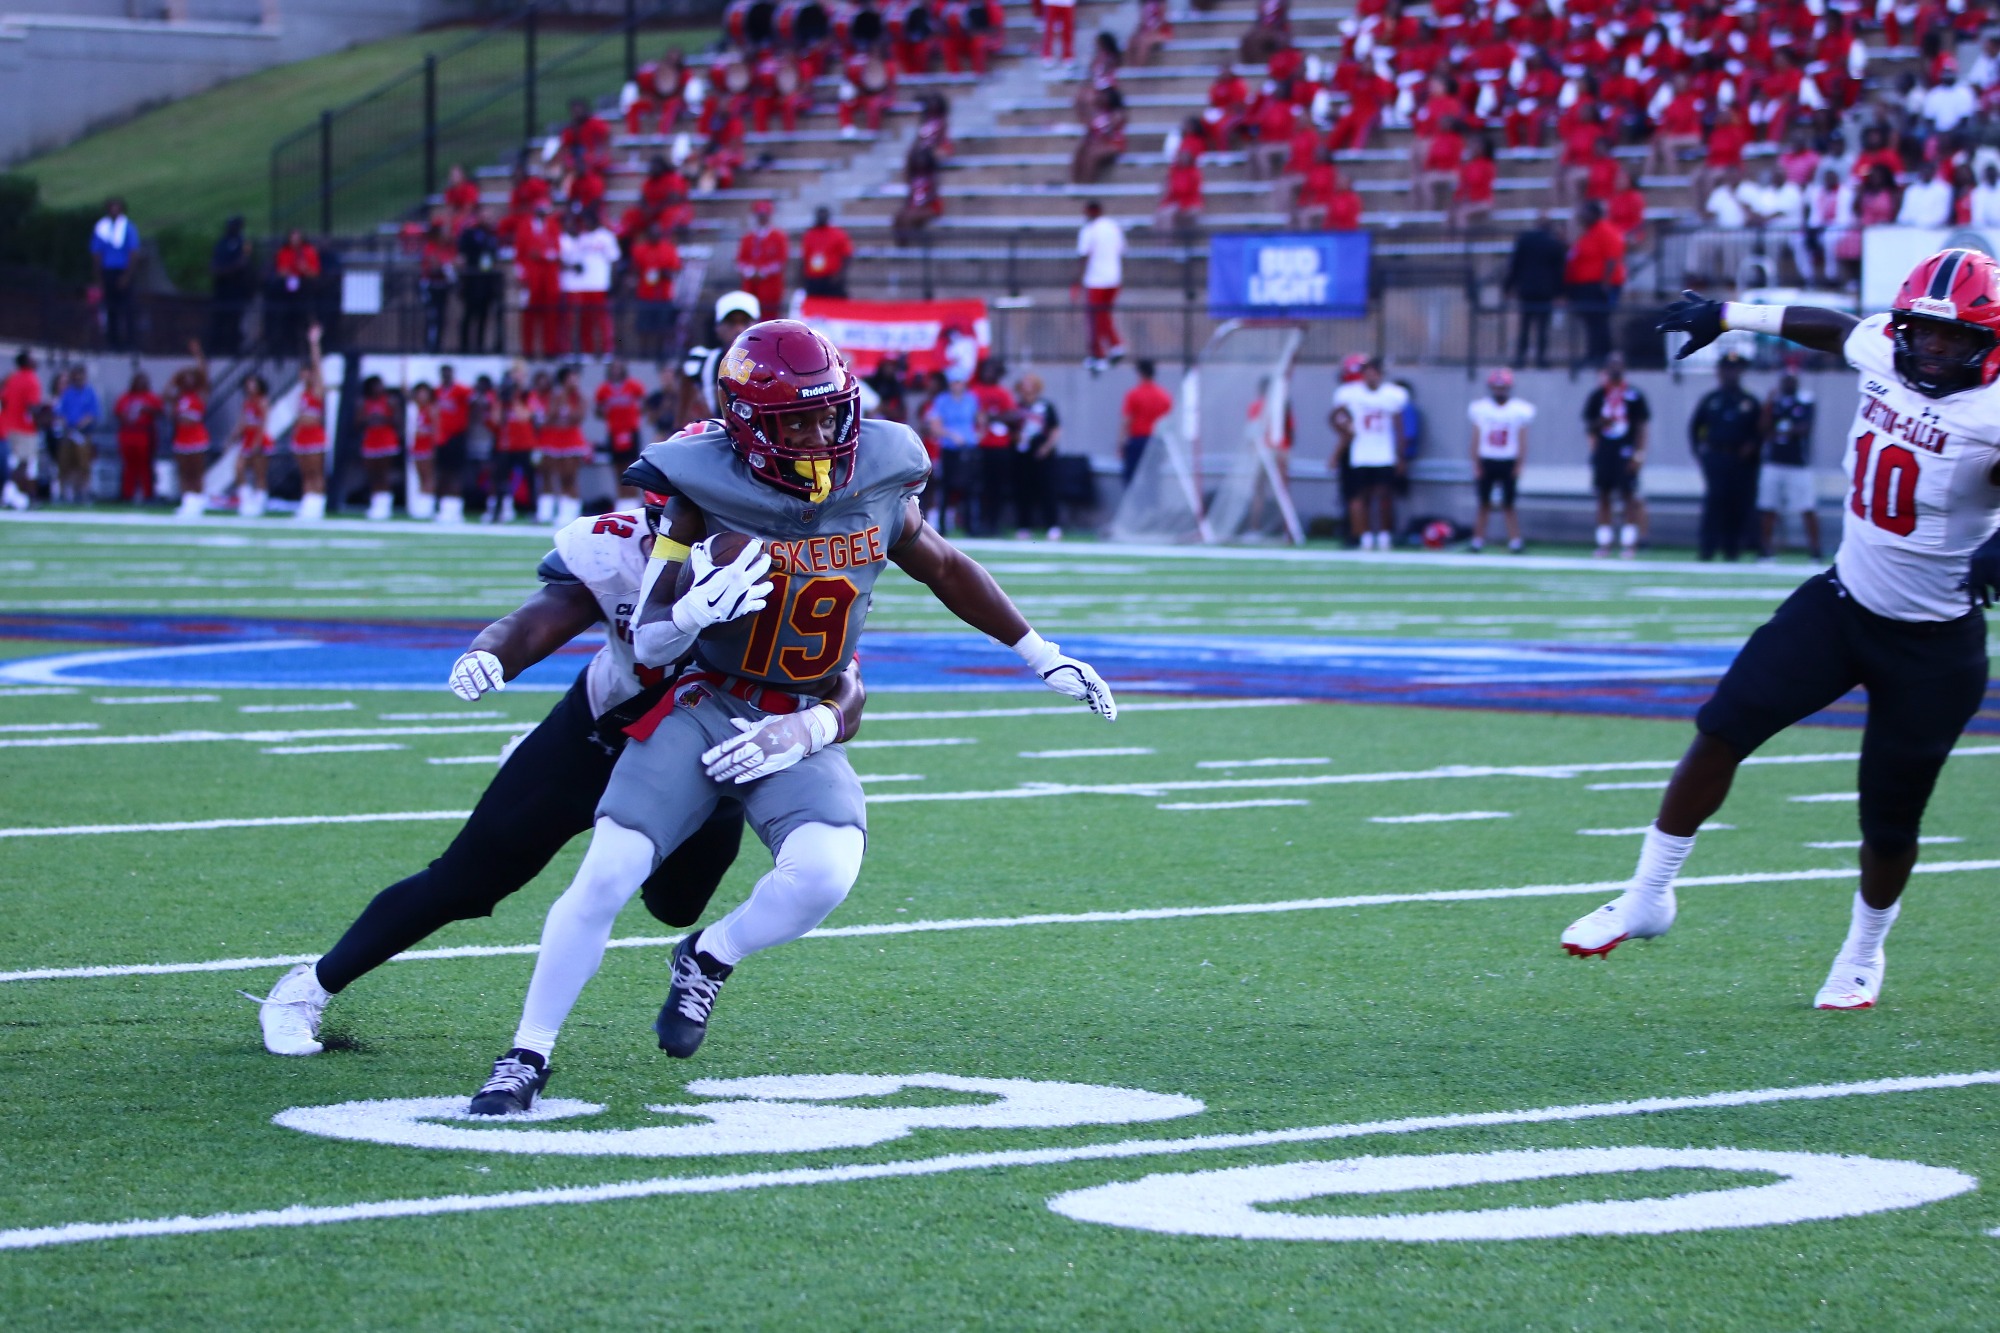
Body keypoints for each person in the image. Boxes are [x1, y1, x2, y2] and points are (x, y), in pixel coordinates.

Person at [462, 319, 1117, 1112]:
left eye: (827, 413)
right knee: (605, 872)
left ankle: (708, 956)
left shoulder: (877, 478)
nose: (816, 433)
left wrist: (1037, 650)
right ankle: (527, 1052)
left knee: (828, 871)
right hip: (704, 702)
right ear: (745, 425)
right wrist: (695, 610)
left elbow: (944, 564)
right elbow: (654, 630)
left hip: (802, 714)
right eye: (794, 420)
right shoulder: (701, 488)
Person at [249, 494, 868, 1055]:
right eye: (667, 521)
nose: (672, 536)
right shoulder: (619, 548)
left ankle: (699, 955)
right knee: (465, 881)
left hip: (708, 762)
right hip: (594, 742)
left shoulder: (781, 557)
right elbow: (542, 616)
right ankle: (308, 987)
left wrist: (813, 725)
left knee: (677, 908)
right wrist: (491, 652)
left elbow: (839, 676)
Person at [1563, 254, 2000, 1012]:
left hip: (1933, 644)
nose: (1930, 351)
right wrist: (1728, 313)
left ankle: (1863, 952)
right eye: (1921, 334)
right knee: (1722, 725)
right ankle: (1646, 895)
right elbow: (1830, 328)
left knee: (1888, 820)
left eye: (1950, 339)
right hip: (1840, 604)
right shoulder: (1881, 347)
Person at [1689, 351, 1765, 561]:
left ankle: (1732, 549)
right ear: (1720, 372)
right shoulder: (1711, 400)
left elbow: (1760, 432)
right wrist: (1701, 454)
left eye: (1735, 369)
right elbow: (1695, 428)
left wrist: (1752, 448)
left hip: (1741, 462)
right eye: (1727, 369)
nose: (1731, 373)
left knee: (1738, 504)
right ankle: (1707, 548)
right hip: (1717, 457)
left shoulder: (1750, 401)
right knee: (1714, 503)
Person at [1329, 356, 1406, 550]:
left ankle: (1384, 536)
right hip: (1360, 453)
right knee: (1359, 498)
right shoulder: (1351, 394)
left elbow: (1399, 426)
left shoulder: (1392, 395)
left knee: (1384, 497)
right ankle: (1363, 537)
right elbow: (1334, 415)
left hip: (1384, 454)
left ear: (1380, 375)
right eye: (1367, 373)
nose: (1370, 377)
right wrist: (1345, 430)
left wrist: (1400, 455)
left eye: (1374, 373)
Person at [1582, 351, 1649, 559]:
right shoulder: (1598, 395)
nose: (1615, 369)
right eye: (1612, 365)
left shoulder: (1634, 395)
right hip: (1605, 450)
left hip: (1626, 449)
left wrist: (1639, 453)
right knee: (1603, 495)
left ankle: (1629, 543)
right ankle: (1604, 542)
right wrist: (1600, 424)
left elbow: (1641, 426)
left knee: (1628, 495)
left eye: (1619, 365)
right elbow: (1589, 425)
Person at [1759, 364, 1822, 562]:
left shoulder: (1805, 401)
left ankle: (1815, 550)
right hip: (1774, 461)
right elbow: (1763, 427)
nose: (1788, 383)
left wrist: (1781, 431)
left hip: (1798, 463)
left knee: (1807, 507)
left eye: (1791, 379)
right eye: (1785, 379)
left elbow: (1804, 428)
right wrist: (1769, 403)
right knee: (1767, 506)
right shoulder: (1774, 402)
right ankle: (1766, 551)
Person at [1467, 368, 1532, 553]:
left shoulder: (1519, 409)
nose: (1499, 391)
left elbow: (1522, 439)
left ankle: (1515, 541)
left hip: (1508, 460)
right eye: (1496, 387)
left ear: (1509, 388)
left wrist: (1520, 464)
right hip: (1487, 459)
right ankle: (1477, 541)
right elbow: (1476, 438)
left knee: (1509, 504)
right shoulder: (1481, 408)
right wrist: (1476, 463)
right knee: (1483, 503)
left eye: (1502, 387)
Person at [678, 290, 761, 426]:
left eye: (745, 322)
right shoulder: (702, 360)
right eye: (731, 323)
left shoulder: (769, 363)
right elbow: (683, 411)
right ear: (717, 328)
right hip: (716, 435)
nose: (738, 329)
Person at [1565, 201, 1625, 368]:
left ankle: (1602, 356)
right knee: (1592, 323)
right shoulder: (1589, 232)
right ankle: (1593, 354)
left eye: (1585, 212)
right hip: (1585, 286)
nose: (1581, 216)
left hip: (1598, 285)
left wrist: (1605, 282)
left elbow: (1612, 257)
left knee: (1599, 321)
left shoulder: (1605, 230)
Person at [1504, 214, 1567, 369]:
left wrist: (1508, 287)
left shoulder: (1525, 240)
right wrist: (1560, 293)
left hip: (1527, 289)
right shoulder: (1554, 243)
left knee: (1525, 324)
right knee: (1543, 326)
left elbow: (1515, 265)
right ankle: (1541, 359)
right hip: (1546, 290)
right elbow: (1559, 271)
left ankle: (1520, 358)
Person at [924, 370, 981, 532]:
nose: (957, 385)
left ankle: (971, 525)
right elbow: (935, 425)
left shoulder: (971, 399)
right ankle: (942, 525)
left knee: (971, 488)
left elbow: (979, 419)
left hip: (969, 448)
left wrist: (977, 435)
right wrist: (951, 435)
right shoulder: (942, 401)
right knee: (946, 486)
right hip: (950, 449)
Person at [559, 210, 620, 357]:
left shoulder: (605, 236)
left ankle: (607, 351)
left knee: (602, 321)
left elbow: (614, 261)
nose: (586, 223)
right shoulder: (581, 237)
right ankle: (587, 352)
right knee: (584, 321)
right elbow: (570, 257)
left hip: (599, 285)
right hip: (582, 285)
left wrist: (613, 283)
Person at [1076, 200, 1126, 374]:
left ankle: (1098, 355)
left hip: (1096, 280)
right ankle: (1116, 345)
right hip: (1114, 278)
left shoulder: (1089, 230)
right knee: (1104, 315)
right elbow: (1121, 249)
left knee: (1095, 318)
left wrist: (1076, 281)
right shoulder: (1113, 227)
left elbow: (1084, 256)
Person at [1013, 371, 1063, 539]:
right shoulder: (1017, 407)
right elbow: (1011, 430)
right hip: (1022, 454)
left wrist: (1047, 447)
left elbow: (1055, 429)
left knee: (1047, 489)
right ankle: (1024, 526)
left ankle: (1053, 525)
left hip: (1043, 454)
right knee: (1023, 490)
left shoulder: (1046, 406)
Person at [290, 325, 330, 522]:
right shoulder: (301, 394)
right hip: (301, 435)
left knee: (316, 471)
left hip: (315, 434)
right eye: (302, 372)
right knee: (305, 472)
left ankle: (318, 502)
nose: (304, 375)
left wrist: (314, 343)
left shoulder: (317, 390)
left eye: (308, 372)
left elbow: (318, 365)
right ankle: (307, 501)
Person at [168, 343, 211, 520]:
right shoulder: (179, 397)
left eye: (190, 377)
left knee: (196, 470)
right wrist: (175, 378)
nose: (188, 380)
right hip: (181, 436)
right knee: (184, 471)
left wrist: (198, 354)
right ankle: (187, 500)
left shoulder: (201, 394)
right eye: (184, 378)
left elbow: (205, 375)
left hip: (196, 435)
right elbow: (165, 394)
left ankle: (198, 500)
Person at [90, 198, 140, 351]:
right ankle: (112, 342)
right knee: (110, 308)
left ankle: (130, 343)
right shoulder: (102, 228)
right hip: (108, 272)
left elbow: (133, 252)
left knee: (127, 307)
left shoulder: (128, 228)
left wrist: (127, 275)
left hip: (122, 270)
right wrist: (99, 276)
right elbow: (96, 252)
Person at [629, 219, 682, 361]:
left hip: (663, 296)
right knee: (644, 329)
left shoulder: (669, 249)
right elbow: (635, 270)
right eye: (652, 233)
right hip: (645, 295)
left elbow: (675, 271)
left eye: (657, 233)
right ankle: (644, 355)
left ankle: (660, 355)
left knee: (663, 329)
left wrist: (665, 272)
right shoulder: (640, 249)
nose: (654, 235)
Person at [596, 360, 647, 499]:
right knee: (617, 468)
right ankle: (621, 498)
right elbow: (598, 411)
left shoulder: (633, 385)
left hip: (630, 431)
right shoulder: (604, 389)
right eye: (613, 368)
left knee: (632, 466)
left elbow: (643, 403)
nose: (616, 371)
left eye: (618, 367)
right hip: (614, 431)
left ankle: (632, 498)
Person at [457, 210, 504, 353]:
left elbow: (493, 255)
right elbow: (463, 252)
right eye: (487, 217)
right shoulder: (470, 233)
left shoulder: (492, 236)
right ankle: (464, 346)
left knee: (484, 315)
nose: (490, 220)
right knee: (469, 314)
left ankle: (480, 345)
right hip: (473, 280)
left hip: (487, 280)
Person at [112, 369, 162, 505]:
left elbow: (160, 412)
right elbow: (118, 412)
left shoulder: (150, 397)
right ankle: (127, 494)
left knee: (144, 465)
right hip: (128, 433)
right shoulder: (125, 397)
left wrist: (147, 409)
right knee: (129, 466)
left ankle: (148, 495)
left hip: (144, 433)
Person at [1120, 358, 1172, 483]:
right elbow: (1168, 423)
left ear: (1140, 373)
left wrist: (1121, 444)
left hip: (1138, 441)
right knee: (1153, 479)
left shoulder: (1134, 394)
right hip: (1156, 441)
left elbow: (1126, 420)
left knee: (1131, 478)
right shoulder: (1163, 396)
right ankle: (1152, 502)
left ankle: (1134, 502)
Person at [433, 364, 473, 524]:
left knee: (456, 473)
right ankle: (444, 508)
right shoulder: (437, 391)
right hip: (442, 437)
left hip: (457, 436)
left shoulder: (462, 390)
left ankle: (456, 509)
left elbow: (474, 400)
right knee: (443, 473)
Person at [0, 351, 41, 511]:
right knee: (24, 463)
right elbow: (32, 406)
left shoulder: (12, 378)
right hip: (25, 428)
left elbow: (3, 400)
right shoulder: (31, 379)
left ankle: (11, 493)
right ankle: (9, 493)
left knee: (15, 463)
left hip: (8, 427)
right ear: (28, 361)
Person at [54, 365, 100, 506]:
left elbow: (92, 414)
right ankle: (64, 494)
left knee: (83, 464)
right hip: (68, 434)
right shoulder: (68, 393)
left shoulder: (90, 393)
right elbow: (60, 413)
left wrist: (80, 425)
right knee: (65, 464)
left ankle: (83, 493)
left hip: (82, 434)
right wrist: (67, 426)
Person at [208, 216, 254, 355]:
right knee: (219, 319)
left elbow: (243, 263)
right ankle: (217, 348)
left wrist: (225, 270)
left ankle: (233, 349)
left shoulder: (244, 243)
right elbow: (214, 264)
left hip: (237, 290)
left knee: (235, 320)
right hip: (221, 290)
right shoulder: (221, 243)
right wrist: (221, 271)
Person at [735, 200, 789, 318]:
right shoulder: (748, 238)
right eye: (760, 215)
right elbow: (740, 261)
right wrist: (750, 272)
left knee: (769, 317)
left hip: (770, 285)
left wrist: (764, 272)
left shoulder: (778, 237)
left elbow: (781, 261)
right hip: (750, 285)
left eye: (765, 215)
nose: (762, 218)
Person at [271, 231, 321, 357]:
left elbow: (314, 273)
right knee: (286, 321)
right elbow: (280, 271)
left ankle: (306, 348)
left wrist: (303, 268)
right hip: (287, 292)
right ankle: (287, 348)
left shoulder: (309, 251)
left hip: (305, 290)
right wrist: (288, 270)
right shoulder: (284, 252)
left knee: (304, 320)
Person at [231, 374, 271, 518]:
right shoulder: (247, 402)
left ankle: (260, 501)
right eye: (248, 384)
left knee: (259, 472)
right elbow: (243, 421)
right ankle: (246, 498)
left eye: (253, 384)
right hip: (247, 438)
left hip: (258, 438)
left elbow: (263, 424)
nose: (250, 387)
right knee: (238, 467)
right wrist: (232, 437)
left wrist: (257, 442)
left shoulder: (263, 402)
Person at [799, 206, 854, 298]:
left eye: (824, 215)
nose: (821, 217)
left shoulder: (838, 234)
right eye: (819, 215)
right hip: (813, 279)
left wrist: (840, 274)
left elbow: (847, 255)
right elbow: (804, 258)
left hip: (831, 279)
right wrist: (802, 278)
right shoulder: (809, 235)